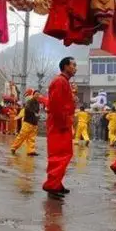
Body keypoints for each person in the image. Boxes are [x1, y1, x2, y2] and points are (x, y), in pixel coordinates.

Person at [42, 57, 77, 199]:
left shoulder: (64, 82)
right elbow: (55, 105)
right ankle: (52, 184)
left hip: (62, 122)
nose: (75, 68)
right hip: (59, 123)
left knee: (64, 153)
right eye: (73, 65)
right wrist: (63, 123)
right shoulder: (60, 81)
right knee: (59, 154)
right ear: (65, 66)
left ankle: (56, 182)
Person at [11, 90, 41, 156]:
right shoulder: (29, 101)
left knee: (32, 138)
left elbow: (37, 111)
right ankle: (13, 147)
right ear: (33, 94)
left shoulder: (38, 103)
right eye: (36, 94)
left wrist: (37, 116)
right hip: (27, 122)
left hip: (34, 123)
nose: (37, 96)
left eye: (38, 94)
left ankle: (31, 151)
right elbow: (28, 108)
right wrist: (34, 113)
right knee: (22, 136)